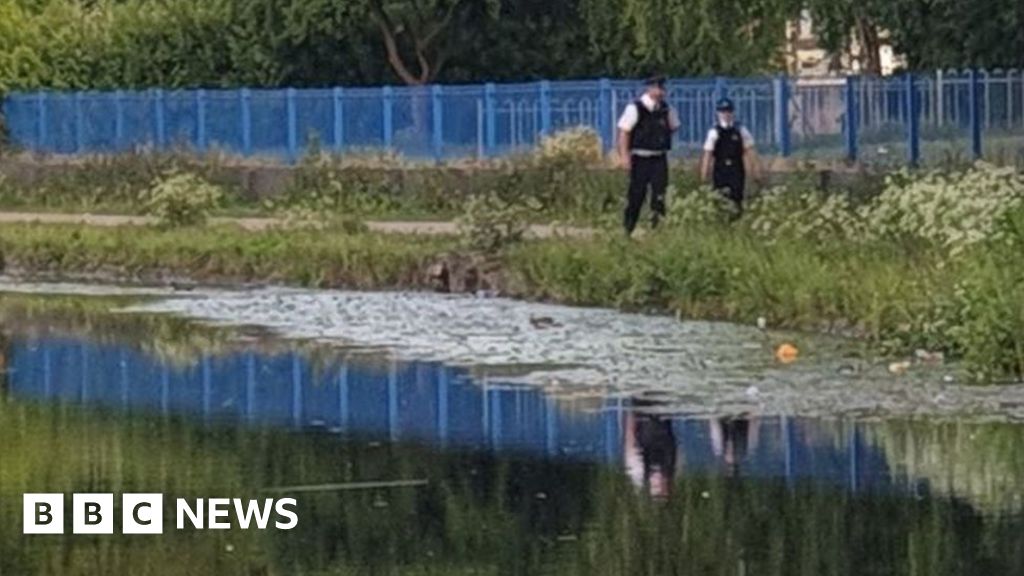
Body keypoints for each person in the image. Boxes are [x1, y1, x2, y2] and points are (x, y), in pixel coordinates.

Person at [617, 75, 681, 235]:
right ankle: (628, 228)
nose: (660, 92)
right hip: (640, 157)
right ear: (649, 88)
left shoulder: (666, 109)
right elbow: (624, 132)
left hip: (659, 157)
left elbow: (673, 127)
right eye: (657, 88)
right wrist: (624, 156)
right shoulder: (636, 108)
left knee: (659, 194)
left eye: (662, 88)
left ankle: (656, 230)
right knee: (637, 194)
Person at [700, 98, 760, 218]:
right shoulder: (714, 132)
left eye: (728, 111)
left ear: (733, 112)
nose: (726, 114)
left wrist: (756, 171)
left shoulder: (740, 130)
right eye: (723, 111)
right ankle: (722, 223)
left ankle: (736, 221)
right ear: (718, 113)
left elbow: (750, 151)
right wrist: (704, 174)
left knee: (737, 196)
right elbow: (708, 154)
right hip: (720, 168)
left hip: (736, 168)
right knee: (720, 197)